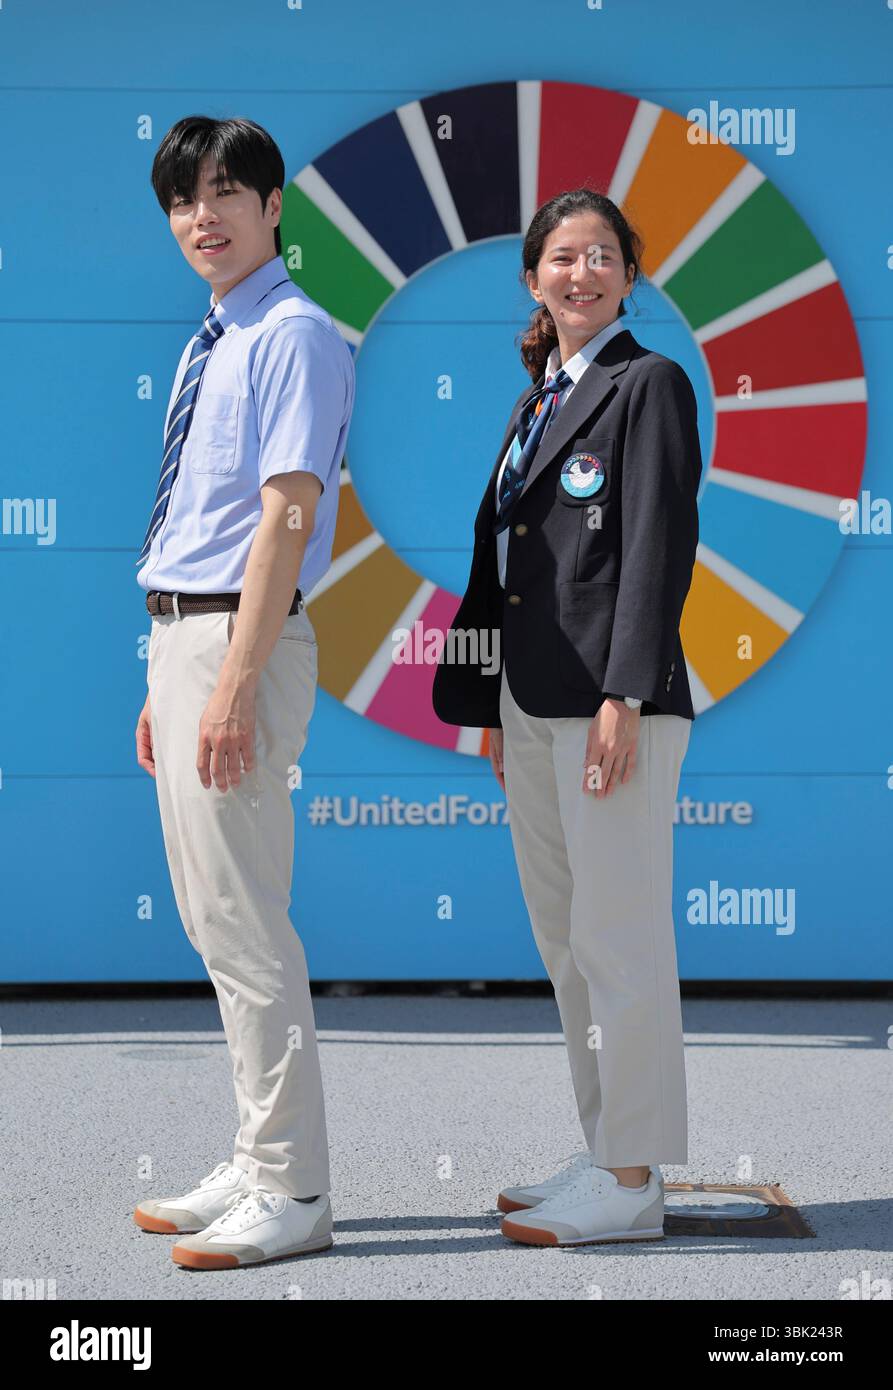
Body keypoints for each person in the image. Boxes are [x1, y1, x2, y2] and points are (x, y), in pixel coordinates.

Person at [432, 187, 701, 1247]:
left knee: (619, 937)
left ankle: (632, 1177)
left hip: (610, 706)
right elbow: (497, 568)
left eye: (600, 256)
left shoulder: (649, 385)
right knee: (567, 943)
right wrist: (489, 699)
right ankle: (602, 1148)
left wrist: (621, 694)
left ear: (628, 276)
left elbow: (654, 551)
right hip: (529, 704)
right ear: (531, 278)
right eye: (559, 256)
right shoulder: (531, 400)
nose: (579, 272)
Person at [132, 116, 355, 1269]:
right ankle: (257, 1152)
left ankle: (294, 1189)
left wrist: (229, 683)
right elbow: (202, 523)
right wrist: (166, 673)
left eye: (225, 192)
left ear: (275, 208)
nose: (201, 216)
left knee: (248, 924)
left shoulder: (293, 335)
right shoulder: (210, 339)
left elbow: (284, 517)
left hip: (237, 645)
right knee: (216, 921)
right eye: (182, 199)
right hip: (189, 641)